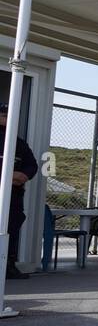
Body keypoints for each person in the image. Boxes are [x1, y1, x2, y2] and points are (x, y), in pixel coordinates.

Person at [1, 103, 38, 281]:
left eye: (9, 116)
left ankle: (9, 266)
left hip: (14, 197)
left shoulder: (19, 143)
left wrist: (18, 175)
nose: (6, 119)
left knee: (12, 229)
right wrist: (8, 174)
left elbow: (32, 166)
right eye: (3, 115)